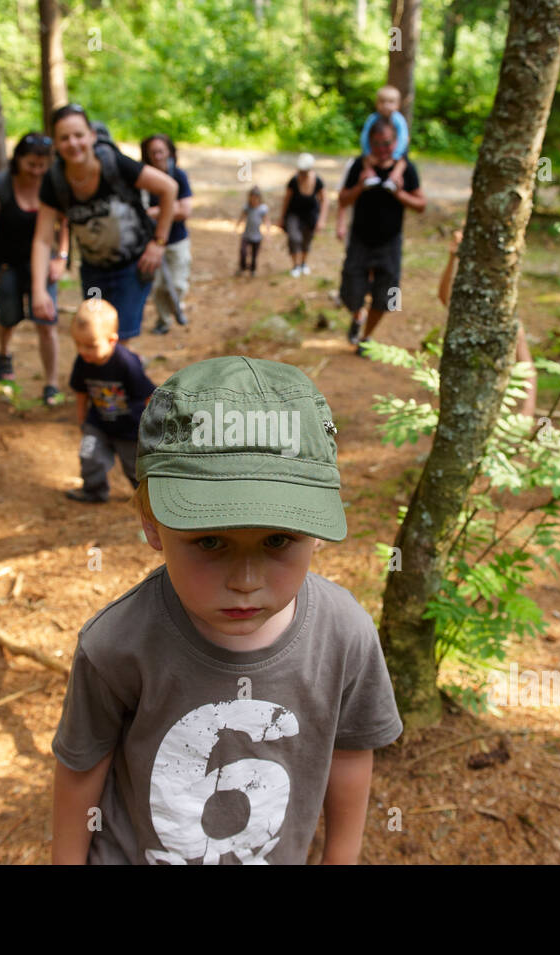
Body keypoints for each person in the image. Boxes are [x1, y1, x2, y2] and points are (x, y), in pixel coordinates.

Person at [51, 356, 404, 864]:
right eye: (211, 540)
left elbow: (349, 753)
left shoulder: (343, 635)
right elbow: (83, 766)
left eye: (278, 539)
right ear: (153, 523)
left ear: (315, 533)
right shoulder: (117, 643)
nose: (245, 581)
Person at [32, 105, 178, 346]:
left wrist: (159, 243)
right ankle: (119, 374)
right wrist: (39, 290)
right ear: (55, 145)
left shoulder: (115, 164)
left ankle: (125, 378)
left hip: (135, 265)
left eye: (79, 135)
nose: (73, 143)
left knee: (118, 339)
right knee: (95, 332)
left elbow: (168, 188)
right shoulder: (54, 180)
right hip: (94, 269)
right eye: (64, 138)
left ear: (91, 135)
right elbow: (42, 239)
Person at [0, 132, 70, 403]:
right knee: (8, 317)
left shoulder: (53, 183)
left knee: (46, 322)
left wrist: (60, 257)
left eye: (42, 165)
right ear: (18, 160)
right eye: (31, 164)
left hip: (42, 267)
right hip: (7, 265)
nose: (37, 170)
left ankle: (51, 383)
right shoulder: (0, 186)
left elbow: (63, 223)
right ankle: (4, 354)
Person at [339, 117, 427, 356]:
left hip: (390, 243)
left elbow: (421, 205)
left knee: (386, 297)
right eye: (377, 144)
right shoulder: (360, 165)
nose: (382, 149)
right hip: (360, 240)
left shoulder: (406, 168)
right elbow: (342, 200)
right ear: (370, 143)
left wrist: (399, 193)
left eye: (387, 143)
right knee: (350, 292)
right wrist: (360, 186)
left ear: (395, 142)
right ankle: (358, 315)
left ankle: (366, 338)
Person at [65, 298, 156, 503]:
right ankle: (94, 491)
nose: (83, 351)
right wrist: (83, 423)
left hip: (130, 428)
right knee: (88, 455)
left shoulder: (127, 363)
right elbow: (81, 392)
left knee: (135, 467)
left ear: (112, 340)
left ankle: (147, 499)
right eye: (78, 344)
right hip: (98, 424)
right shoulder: (83, 361)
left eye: (90, 345)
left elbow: (148, 394)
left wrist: (153, 428)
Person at [439, 229, 538, 417]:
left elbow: (527, 366)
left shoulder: (507, 317)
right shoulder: (467, 306)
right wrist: (453, 258)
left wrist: (527, 410)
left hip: (493, 405)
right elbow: (446, 298)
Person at [140, 135, 193, 334]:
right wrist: (171, 208)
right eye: (153, 152)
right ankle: (164, 320)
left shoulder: (178, 175)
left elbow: (185, 210)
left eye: (161, 151)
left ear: (169, 151)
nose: (157, 155)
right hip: (153, 242)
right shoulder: (144, 178)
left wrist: (155, 211)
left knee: (178, 284)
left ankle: (176, 310)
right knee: (158, 286)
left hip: (177, 240)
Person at [278, 153, 324, 277]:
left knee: (306, 241)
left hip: (310, 216)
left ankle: (303, 263)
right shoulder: (293, 181)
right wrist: (282, 217)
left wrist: (321, 219)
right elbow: (286, 199)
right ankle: (296, 265)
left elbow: (324, 199)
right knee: (294, 238)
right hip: (294, 214)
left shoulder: (318, 181)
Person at [359, 86, 410, 191]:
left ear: (398, 105)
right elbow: (364, 136)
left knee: (403, 162)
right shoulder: (372, 118)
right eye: (382, 101)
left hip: (397, 152)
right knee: (364, 159)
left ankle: (393, 179)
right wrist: (368, 153)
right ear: (377, 103)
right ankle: (370, 176)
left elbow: (403, 138)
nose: (386, 105)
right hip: (373, 151)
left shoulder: (399, 119)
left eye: (391, 102)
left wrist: (395, 155)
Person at [236, 186, 269, 276]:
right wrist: (238, 225)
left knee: (254, 254)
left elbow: (266, 220)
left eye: (256, 198)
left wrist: (267, 231)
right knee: (243, 251)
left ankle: (253, 269)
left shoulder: (262, 209)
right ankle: (242, 267)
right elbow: (242, 216)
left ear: (259, 198)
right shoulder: (247, 207)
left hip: (257, 236)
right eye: (252, 198)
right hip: (246, 235)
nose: (254, 200)